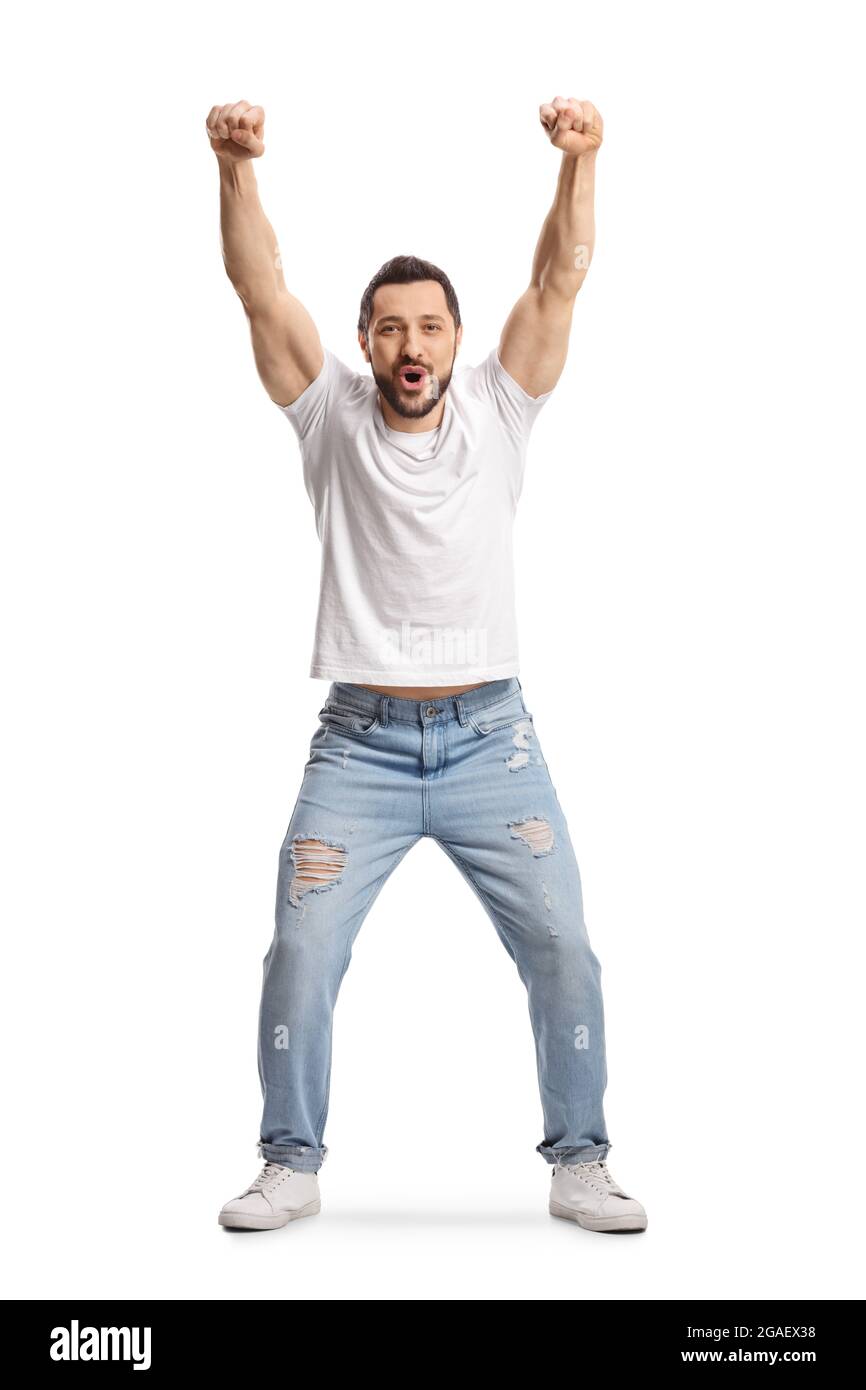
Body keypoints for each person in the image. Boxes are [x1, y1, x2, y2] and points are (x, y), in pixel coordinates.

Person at [208, 95, 647, 1234]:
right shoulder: (328, 415)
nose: (413, 347)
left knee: (563, 946)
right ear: (365, 343)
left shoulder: (500, 408)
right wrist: (234, 167)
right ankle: (289, 1162)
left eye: (432, 328)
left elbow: (559, 281)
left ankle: (581, 1161)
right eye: (392, 329)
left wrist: (581, 162)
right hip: (358, 743)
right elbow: (260, 289)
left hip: (492, 739)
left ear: (457, 339)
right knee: (300, 949)